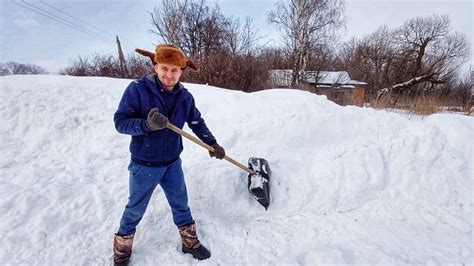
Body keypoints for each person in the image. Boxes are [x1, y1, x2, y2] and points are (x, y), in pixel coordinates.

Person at [112, 44, 225, 265]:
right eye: (164, 68)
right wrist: (146, 125)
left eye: (175, 70)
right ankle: (122, 250)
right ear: (155, 66)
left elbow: (196, 122)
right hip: (144, 164)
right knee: (135, 208)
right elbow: (121, 122)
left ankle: (189, 242)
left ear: (181, 71)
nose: (169, 75)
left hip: (172, 162)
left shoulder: (185, 96)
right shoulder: (138, 90)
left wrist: (212, 143)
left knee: (181, 203)